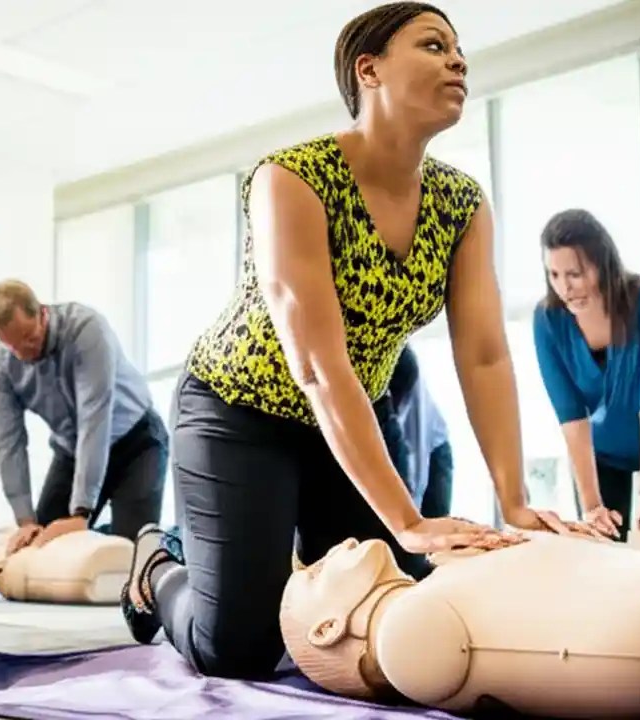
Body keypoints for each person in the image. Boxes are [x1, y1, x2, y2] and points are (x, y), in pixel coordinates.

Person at [117, 2, 568, 681]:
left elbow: (483, 354)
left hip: (355, 416)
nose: (459, 60)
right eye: (434, 44)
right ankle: (157, 568)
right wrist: (410, 520)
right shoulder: (291, 178)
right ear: (370, 69)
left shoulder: (462, 204)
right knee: (237, 647)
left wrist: (514, 497)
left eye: (459, 49)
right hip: (238, 412)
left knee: (394, 598)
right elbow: (320, 367)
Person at [532, 208, 640, 542]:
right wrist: (591, 507)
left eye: (575, 273)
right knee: (606, 552)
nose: (565, 288)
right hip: (603, 454)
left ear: (602, 264)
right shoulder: (547, 320)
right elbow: (571, 418)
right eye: (554, 275)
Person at [0, 279, 169, 556]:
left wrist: (80, 513)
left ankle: (160, 541)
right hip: (71, 453)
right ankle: (100, 532)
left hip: (135, 444)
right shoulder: (0, 365)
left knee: (129, 554)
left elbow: (94, 419)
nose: (24, 354)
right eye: (12, 347)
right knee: (41, 550)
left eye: (30, 339)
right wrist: (25, 520)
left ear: (42, 314)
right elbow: (9, 442)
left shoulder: (87, 330)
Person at [385, 343, 453, 518]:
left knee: (435, 528)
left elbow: (416, 448)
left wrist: (412, 519)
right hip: (404, 440)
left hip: (432, 448)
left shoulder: (403, 370)